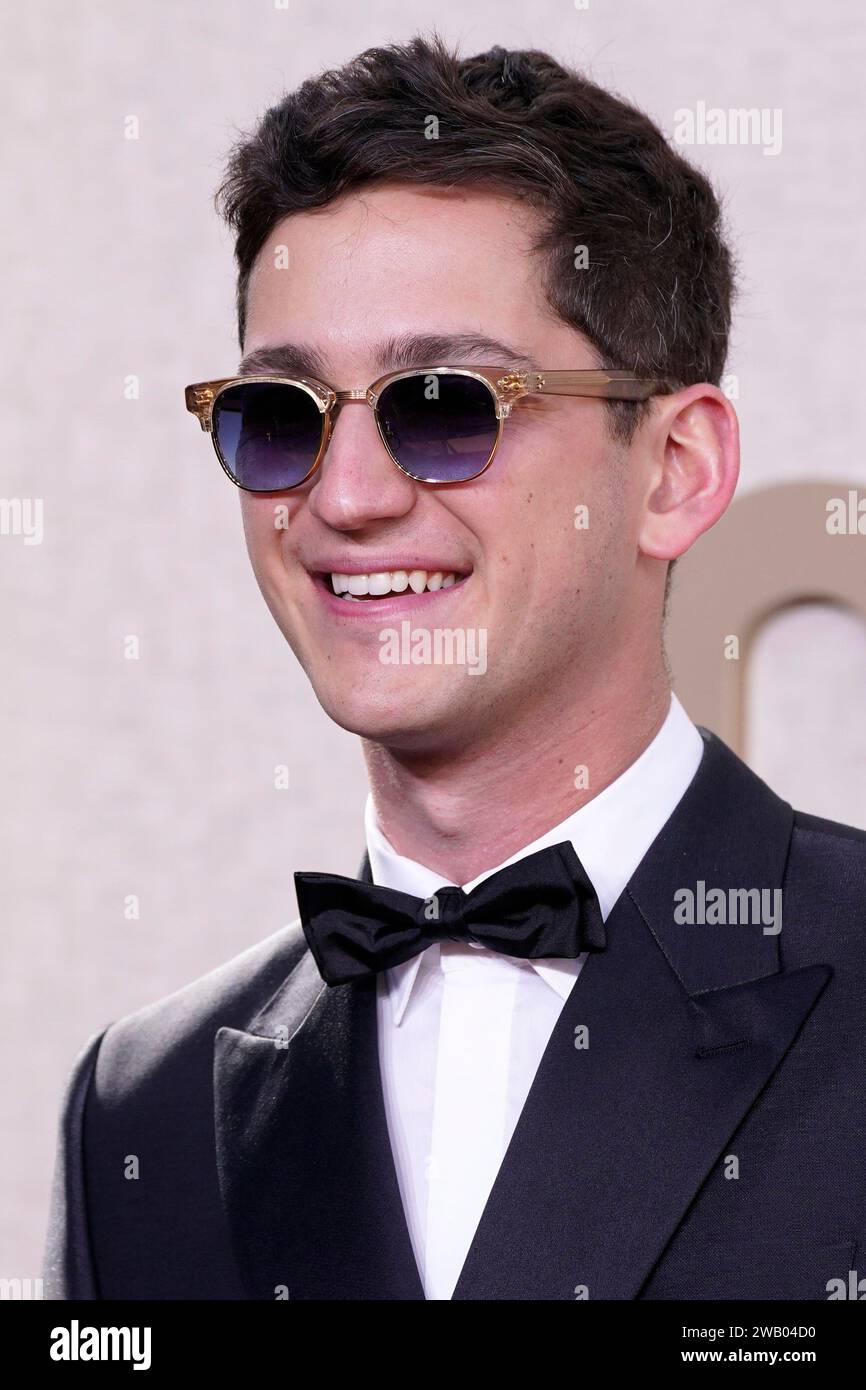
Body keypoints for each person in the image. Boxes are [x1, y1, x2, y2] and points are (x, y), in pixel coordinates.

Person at [44, 34, 866, 1301]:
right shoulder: (136, 1112)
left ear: (672, 470)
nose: (348, 498)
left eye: (443, 404)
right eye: (282, 418)